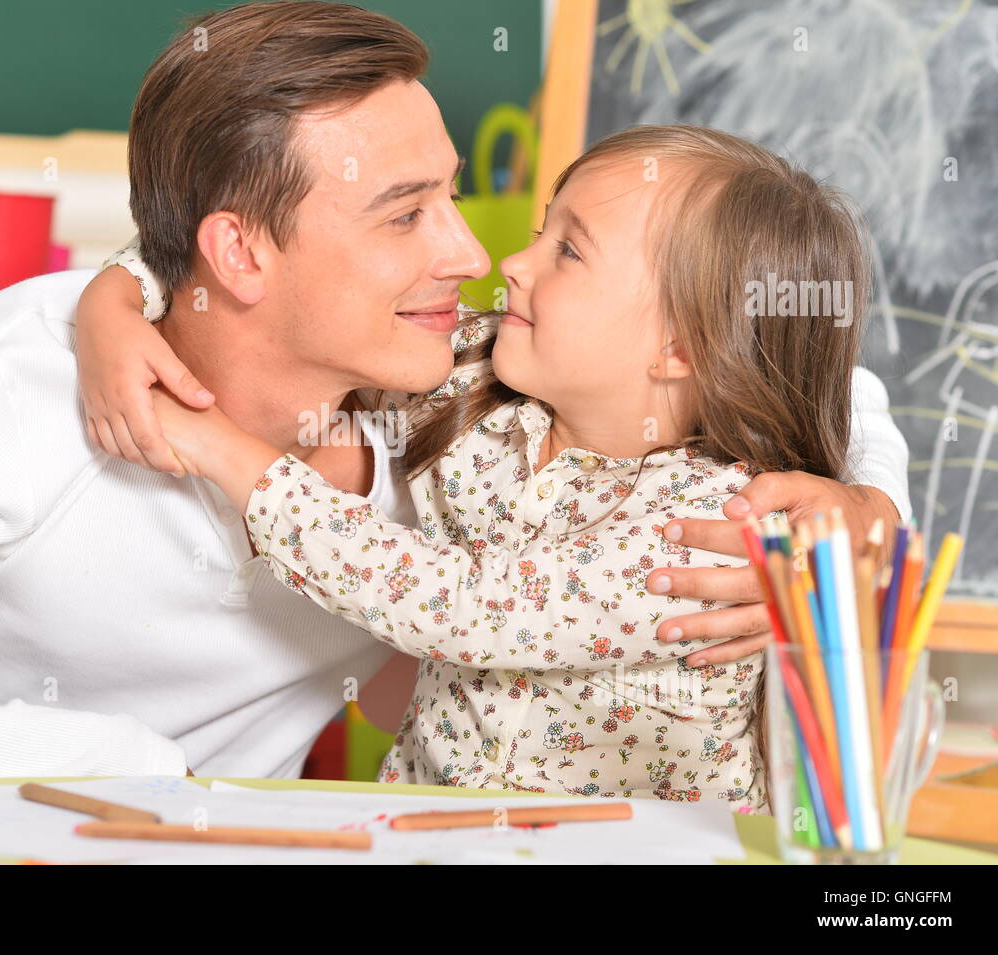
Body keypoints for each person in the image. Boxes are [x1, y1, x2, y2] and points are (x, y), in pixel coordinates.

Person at [0, 3, 907, 784]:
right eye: (404, 213)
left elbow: (779, 359)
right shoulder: (9, 382)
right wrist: (146, 771)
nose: (472, 254)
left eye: (452, 195)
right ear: (240, 255)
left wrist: (865, 508)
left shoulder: (471, 387)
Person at [72, 124, 886, 810]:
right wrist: (113, 296)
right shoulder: (478, 382)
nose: (513, 264)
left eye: (567, 251)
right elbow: (286, 282)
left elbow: (458, 607)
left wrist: (223, 449)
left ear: (680, 348)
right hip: (430, 836)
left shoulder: (716, 528)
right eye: (541, 232)